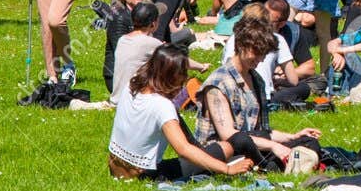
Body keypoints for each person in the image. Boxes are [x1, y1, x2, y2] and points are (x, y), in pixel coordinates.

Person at [108, 44, 255, 182]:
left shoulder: (132, 84)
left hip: (115, 167)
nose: (185, 77)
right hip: (141, 174)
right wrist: (227, 169)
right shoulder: (162, 106)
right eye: (183, 73)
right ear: (173, 75)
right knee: (225, 148)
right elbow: (184, 149)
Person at [195, 18, 323, 171]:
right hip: (224, 152)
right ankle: (280, 164)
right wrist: (273, 146)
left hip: (252, 145)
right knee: (243, 140)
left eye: (264, 54)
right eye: (256, 53)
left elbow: (262, 133)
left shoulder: (256, 79)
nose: (260, 60)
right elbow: (228, 135)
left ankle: (285, 162)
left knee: (308, 141)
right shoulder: (218, 83)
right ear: (240, 46)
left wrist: (292, 137)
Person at [99, 0, 150, 93]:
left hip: (140, 70)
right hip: (118, 75)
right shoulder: (118, 18)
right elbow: (122, 51)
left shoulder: (148, 14)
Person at [110, 1, 163, 103]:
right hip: (133, 100)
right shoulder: (151, 43)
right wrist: (199, 66)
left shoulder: (122, 39)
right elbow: (177, 60)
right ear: (153, 23)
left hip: (117, 98)